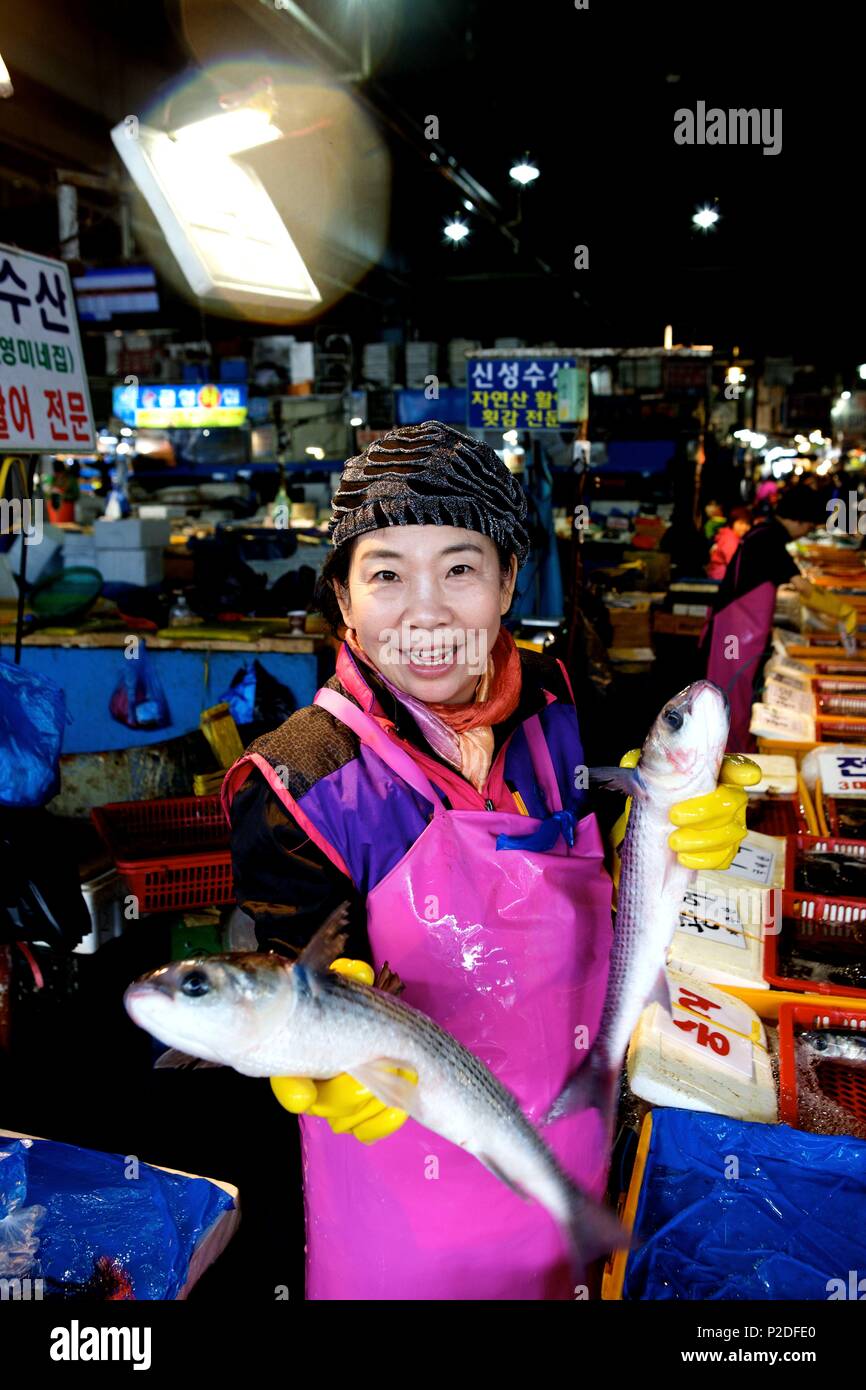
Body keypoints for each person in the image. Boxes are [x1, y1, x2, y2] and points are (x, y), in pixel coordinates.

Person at [225, 421, 755, 1301]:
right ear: (344, 600)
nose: (426, 612)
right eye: (387, 573)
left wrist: (679, 824)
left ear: (510, 581)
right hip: (401, 1195)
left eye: (461, 569)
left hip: (572, 1142)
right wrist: (315, 1049)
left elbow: (620, 851)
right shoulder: (298, 782)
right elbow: (287, 977)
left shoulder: (559, 697)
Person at [703, 483, 857, 752]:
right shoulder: (769, 539)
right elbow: (804, 588)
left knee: (735, 690)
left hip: (739, 628)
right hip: (733, 632)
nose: (806, 533)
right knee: (730, 692)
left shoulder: (765, 533)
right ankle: (730, 755)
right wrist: (843, 611)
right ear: (798, 520)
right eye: (808, 527)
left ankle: (735, 747)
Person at [706, 507, 752, 581]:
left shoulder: (731, 535)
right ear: (732, 523)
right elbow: (733, 563)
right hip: (721, 577)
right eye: (741, 523)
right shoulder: (730, 539)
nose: (745, 527)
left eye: (747, 524)